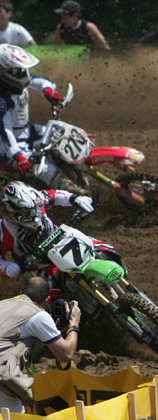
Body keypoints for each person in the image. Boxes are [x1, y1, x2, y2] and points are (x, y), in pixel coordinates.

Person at [0, 276, 80, 413]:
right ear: (47, 300)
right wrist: (74, 323)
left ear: (21, 292)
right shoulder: (38, 315)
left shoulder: (4, 304)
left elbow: (12, 342)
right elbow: (66, 354)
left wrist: (49, 335)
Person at [0, 43, 68, 186]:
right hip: (10, 146)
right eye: (17, 69)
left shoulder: (17, 82)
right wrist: (17, 156)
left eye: (21, 69)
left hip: (28, 131)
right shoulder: (2, 98)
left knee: (64, 135)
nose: (21, 72)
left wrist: (49, 91)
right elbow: (5, 131)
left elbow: (40, 81)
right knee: (45, 168)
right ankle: (72, 191)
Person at [0, 181, 94, 282]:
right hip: (42, 266)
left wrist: (75, 199)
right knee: (42, 288)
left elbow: (55, 195)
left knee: (96, 246)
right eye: (28, 213)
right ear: (11, 213)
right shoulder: (3, 230)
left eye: (36, 208)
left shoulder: (37, 199)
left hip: (65, 241)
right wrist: (6, 267)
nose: (35, 215)